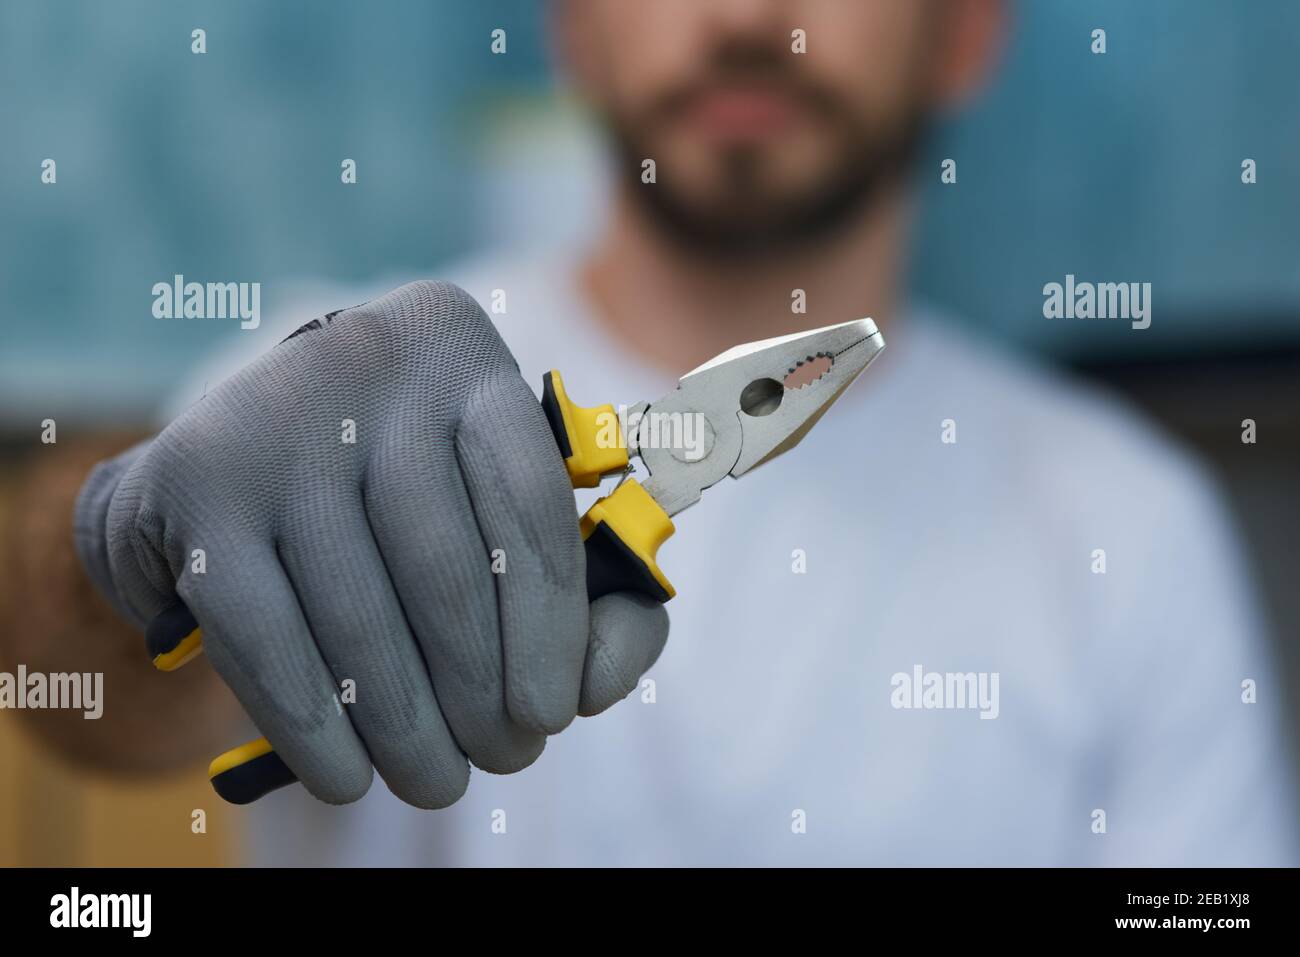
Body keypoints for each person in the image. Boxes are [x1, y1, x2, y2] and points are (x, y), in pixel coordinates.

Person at [4, 0, 1295, 865]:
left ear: (962, 34)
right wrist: (126, 554)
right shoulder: (315, 393)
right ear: (574, 28)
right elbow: (61, 689)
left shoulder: (1133, 528)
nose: (740, 18)